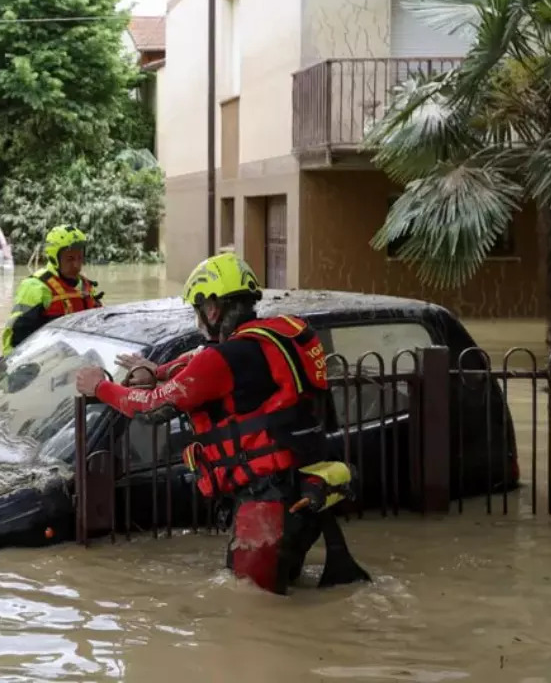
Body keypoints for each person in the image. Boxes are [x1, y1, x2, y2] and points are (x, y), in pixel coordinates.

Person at [74, 252, 371, 595]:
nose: (198, 319)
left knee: (251, 610)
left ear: (212, 309)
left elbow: (153, 408)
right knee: (280, 594)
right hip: (303, 491)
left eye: (197, 310)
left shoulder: (225, 359)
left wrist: (100, 386)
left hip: (265, 505)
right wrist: (153, 369)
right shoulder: (274, 338)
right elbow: (198, 360)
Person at [2, 225, 104, 356]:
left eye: (80, 257)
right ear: (54, 258)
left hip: (80, 359)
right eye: (70, 259)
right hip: (48, 361)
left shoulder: (86, 286)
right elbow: (14, 336)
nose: (77, 265)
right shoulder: (35, 287)